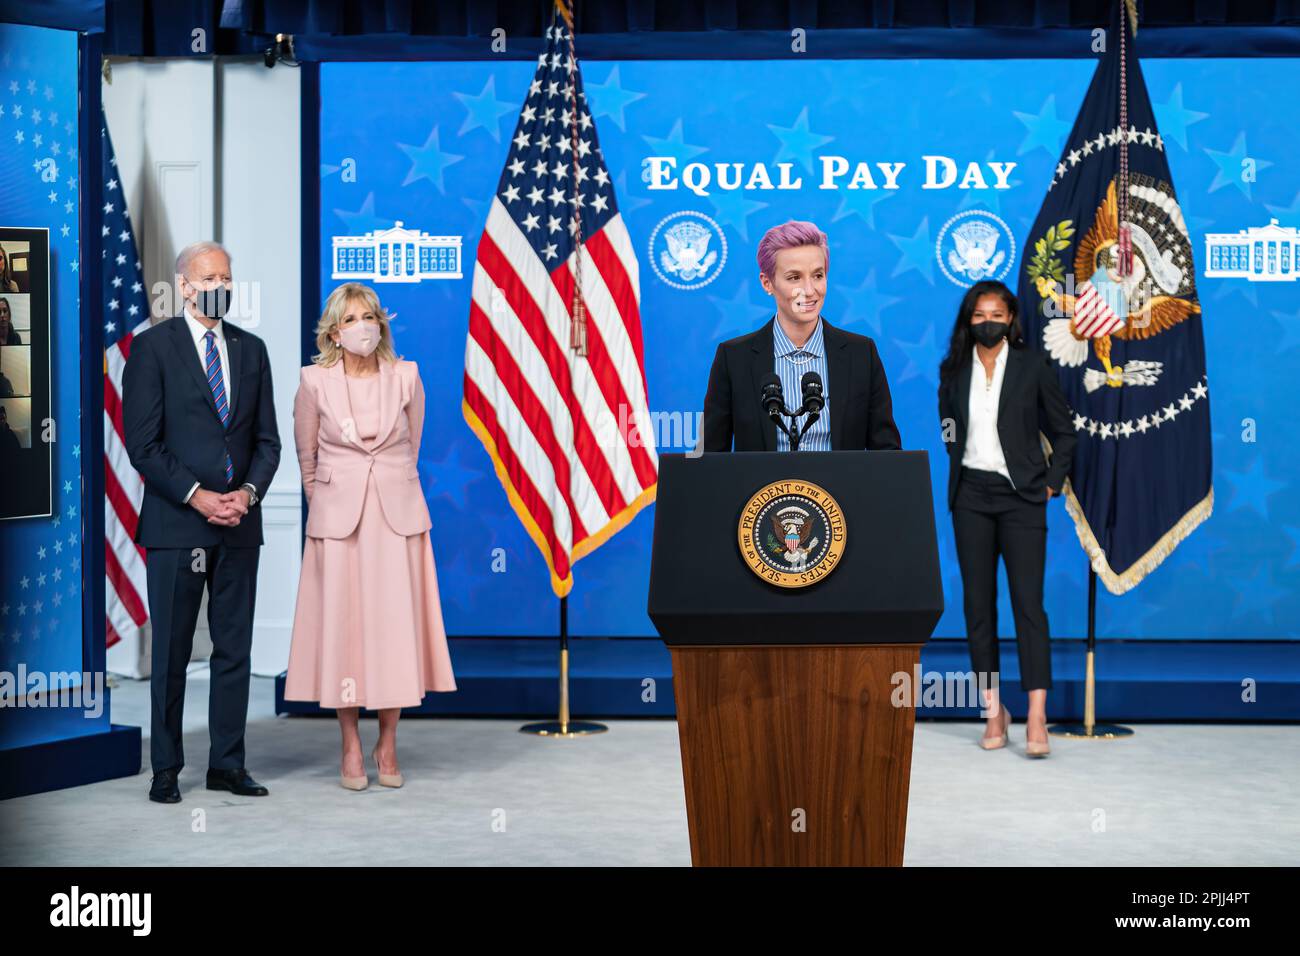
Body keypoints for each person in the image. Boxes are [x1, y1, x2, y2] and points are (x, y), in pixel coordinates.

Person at [122, 240, 281, 803]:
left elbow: (267, 441)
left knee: (233, 650)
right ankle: (166, 769)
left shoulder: (251, 349)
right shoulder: (152, 348)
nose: (221, 287)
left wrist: (247, 495)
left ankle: (227, 765)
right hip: (177, 525)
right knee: (171, 652)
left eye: (227, 278)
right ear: (185, 286)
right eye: (210, 278)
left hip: (240, 524)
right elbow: (143, 445)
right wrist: (197, 496)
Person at [285, 282, 456, 791]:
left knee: (392, 631)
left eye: (369, 317)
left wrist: (386, 491)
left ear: (381, 324)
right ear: (334, 332)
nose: (362, 327)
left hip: (396, 520)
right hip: (338, 523)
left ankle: (387, 743)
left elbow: (411, 447)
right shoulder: (313, 381)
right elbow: (307, 459)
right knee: (344, 632)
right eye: (351, 319)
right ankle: (350, 745)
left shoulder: (407, 376)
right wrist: (330, 503)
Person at [937, 280, 1077, 758]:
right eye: (979, 315)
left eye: (996, 314)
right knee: (978, 607)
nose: (988, 323)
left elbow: (1064, 431)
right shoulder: (954, 369)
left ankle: (1036, 713)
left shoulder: (1033, 366)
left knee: (1028, 606)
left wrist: (1052, 482)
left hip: (1022, 498)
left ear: (1011, 318)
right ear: (968, 319)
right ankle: (994, 710)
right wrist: (960, 458)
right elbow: (948, 427)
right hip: (970, 497)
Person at [702, 219, 901, 452]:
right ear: (767, 283)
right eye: (794, 277)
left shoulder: (862, 354)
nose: (809, 290)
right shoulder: (734, 358)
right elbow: (710, 458)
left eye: (817, 275)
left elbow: (887, 455)